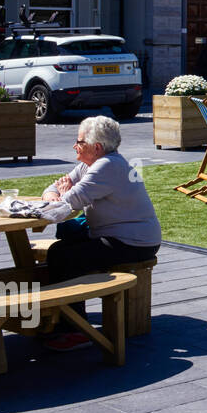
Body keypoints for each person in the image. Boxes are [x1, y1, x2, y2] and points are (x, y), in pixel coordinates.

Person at [41, 116, 162, 351]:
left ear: (95, 147)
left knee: (64, 257)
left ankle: (75, 330)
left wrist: (64, 193)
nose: (74, 146)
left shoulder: (108, 165)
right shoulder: (91, 163)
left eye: (79, 141)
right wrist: (58, 193)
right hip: (116, 235)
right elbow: (54, 189)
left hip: (133, 242)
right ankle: (60, 319)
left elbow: (68, 203)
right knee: (61, 249)